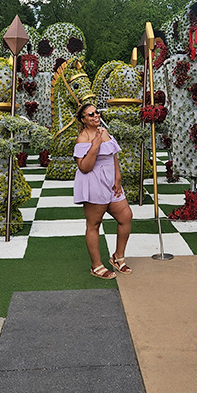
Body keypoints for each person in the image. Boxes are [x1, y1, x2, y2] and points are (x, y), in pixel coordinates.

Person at [73, 102, 133, 279]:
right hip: (94, 183)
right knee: (94, 224)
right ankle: (96, 266)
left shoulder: (104, 131)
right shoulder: (82, 138)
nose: (96, 116)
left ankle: (117, 257)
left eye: (97, 112)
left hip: (111, 182)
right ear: (83, 119)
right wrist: (95, 144)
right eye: (91, 114)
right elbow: (84, 167)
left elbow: (113, 156)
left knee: (126, 216)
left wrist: (117, 178)